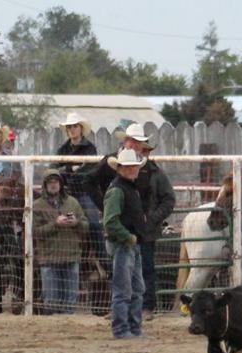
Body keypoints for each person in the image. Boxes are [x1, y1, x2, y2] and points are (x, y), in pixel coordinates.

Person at [102, 148, 147, 339]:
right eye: (129, 167)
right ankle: (123, 329)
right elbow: (110, 222)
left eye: (134, 167)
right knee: (126, 289)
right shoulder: (119, 190)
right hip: (124, 244)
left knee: (135, 289)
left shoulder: (123, 188)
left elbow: (111, 220)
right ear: (120, 168)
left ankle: (131, 329)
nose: (133, 170)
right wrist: (128, 236)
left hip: (129, 244)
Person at [33, 169, 88, 314]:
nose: (53, 185)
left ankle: (68, 333)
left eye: (56, 181)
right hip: (49, 259)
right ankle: (51, 334)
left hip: (71, 257)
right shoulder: (37, 205)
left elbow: (86, 227)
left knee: (70, 302)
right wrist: (55, 223)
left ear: (61, 184)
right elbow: (35, 232)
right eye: (50, 182)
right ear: (44, 185)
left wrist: (75, 222)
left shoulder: (73, 202)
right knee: (51, 301)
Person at [54, 113, 103, 258]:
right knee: (51, 220)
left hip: (85, 192)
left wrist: (67, 172)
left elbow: (88, 171)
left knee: (93, 224)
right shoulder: (62, 149)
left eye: (75, 126)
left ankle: (103, 261)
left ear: (81, 128)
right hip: (66, 193)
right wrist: (71, 169)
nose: (72, 129)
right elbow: (54, 169)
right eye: (69, 127)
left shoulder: (90, 148)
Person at [137, 138, 175, 321]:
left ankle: (146, 306)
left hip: (146, 230)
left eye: (144, 150)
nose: (142, 153)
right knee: (124, 268)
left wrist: (152, 219)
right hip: (130, 227)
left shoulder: (156, 174)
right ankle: (127, 305)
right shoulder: (125, 170)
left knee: (146, 268)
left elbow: (169, 200)